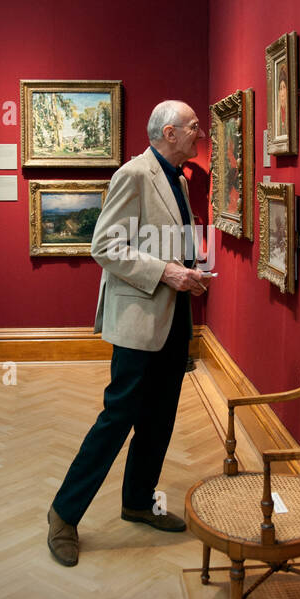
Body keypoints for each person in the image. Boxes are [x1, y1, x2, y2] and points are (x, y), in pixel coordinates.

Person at [47, 100, 212, 566]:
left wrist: (191, 272)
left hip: (174, 317)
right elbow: (104, 245)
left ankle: (137, 501)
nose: (200, 133)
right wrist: (166, 272)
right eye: (194, 126)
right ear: (169, 133)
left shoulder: (177, 178)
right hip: (140, 319)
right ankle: (63, 513)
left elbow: (166, 243)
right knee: (118, 418)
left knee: (159, 418)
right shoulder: (133, 175)